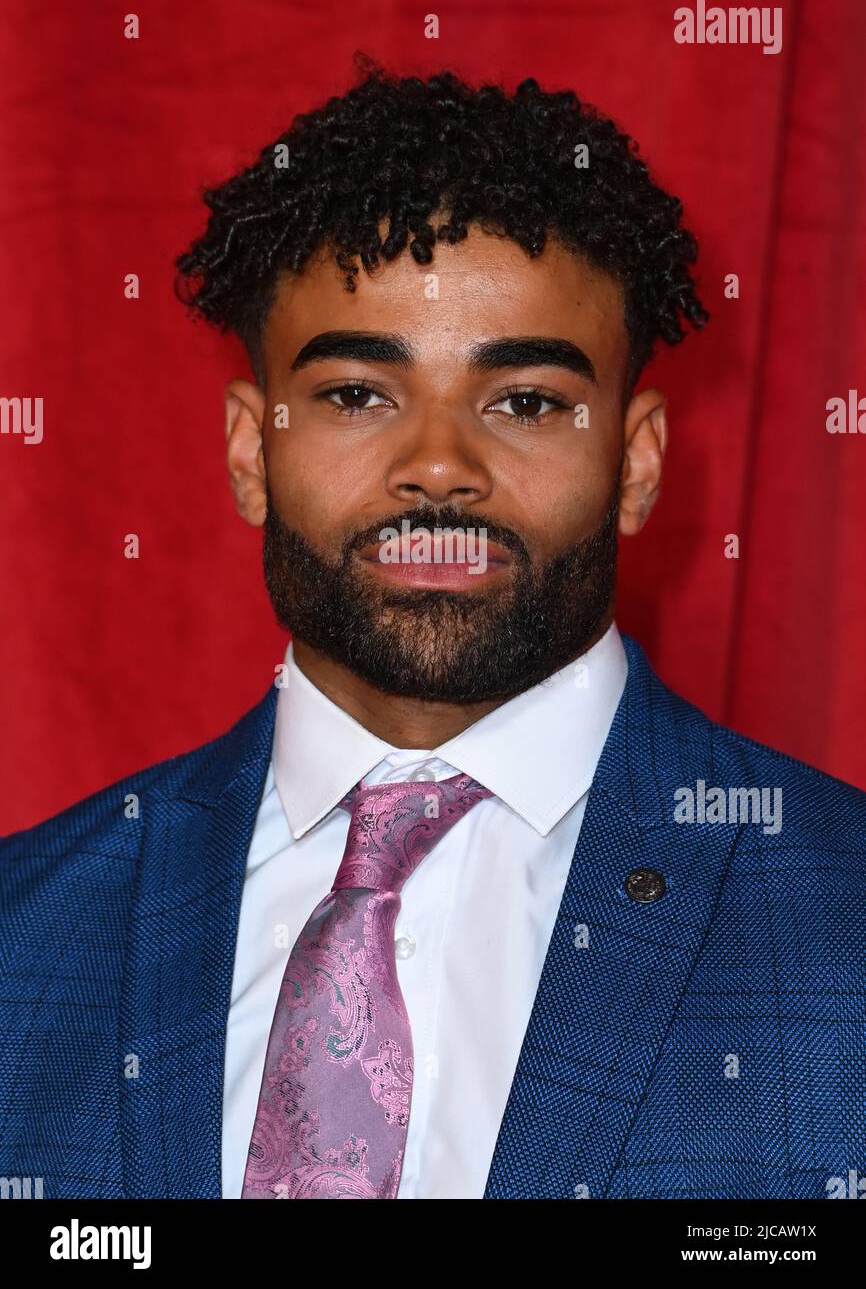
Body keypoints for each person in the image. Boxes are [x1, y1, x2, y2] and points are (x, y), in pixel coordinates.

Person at [2, 59, 863, 1201]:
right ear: (250, 449)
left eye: (524, 401)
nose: (440, 469)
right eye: (358, 392)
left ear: (637, 463)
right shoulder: (25, 933)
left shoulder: (840, 922)